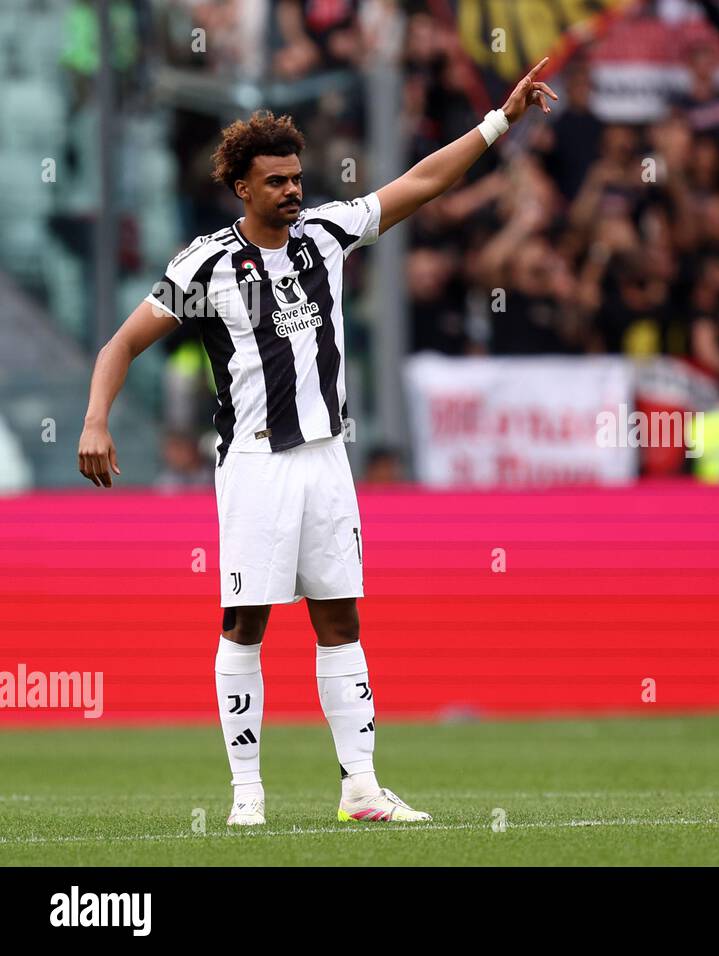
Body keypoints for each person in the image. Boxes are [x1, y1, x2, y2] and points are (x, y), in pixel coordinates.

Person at [76, 60, 559, 827]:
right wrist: (97, 418)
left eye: (297, 177)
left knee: (341, 619)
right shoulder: (204, 264)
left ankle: (361, 789)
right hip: (257, 462)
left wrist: (501, 119)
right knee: (246, 621)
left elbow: (425, 181)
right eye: (277, 182)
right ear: (243, 188)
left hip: (328, 458)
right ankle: (246, 796)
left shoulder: (327, 233)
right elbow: (120, 345)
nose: (294, 191)